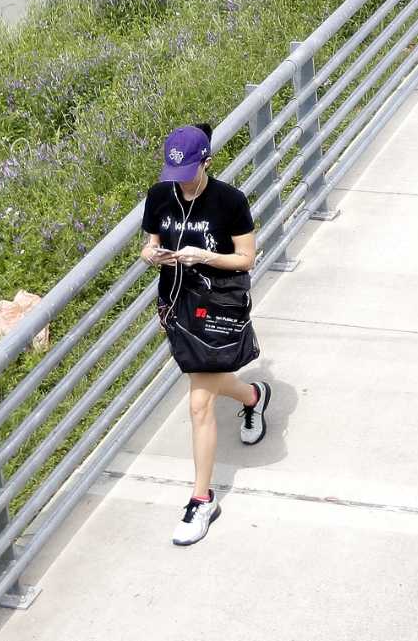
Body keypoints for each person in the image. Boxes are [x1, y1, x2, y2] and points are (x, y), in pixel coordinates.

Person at [141, 123, 273, 546]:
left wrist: (207, 256)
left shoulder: (229, 201)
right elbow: (150, 240)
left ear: (207, 163)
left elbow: (246, 259)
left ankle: (202, 498)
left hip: (213, 304)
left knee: (199, 403)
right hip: (175, 306)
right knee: (209, 384)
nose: (178, 185)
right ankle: (252, 397)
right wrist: (151, 254)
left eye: (187, 175)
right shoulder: (159, 195)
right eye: (172, 176)